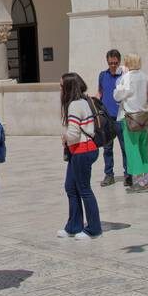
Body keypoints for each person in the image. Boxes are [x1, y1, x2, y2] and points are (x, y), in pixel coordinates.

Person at [59, 72, 102, 239]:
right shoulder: (84, 101)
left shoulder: (75, 105)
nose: (60, 90)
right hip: (82, 150)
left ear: (68, 87)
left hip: (81, 150)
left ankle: (94, 228)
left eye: (62, 86)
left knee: (84, 189)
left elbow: (74, 133)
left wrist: (64, 138)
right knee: (71, 186)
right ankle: (73, 226)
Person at [114, 54, 148, 192]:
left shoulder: (126, 78)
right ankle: (147, 177)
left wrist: (120, 82)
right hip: (143, 117)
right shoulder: (144, 76)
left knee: (133, 149)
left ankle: (138, 181)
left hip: (130, 118)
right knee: (144, 147)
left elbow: (118, 96)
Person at [94, 49, 130, 187]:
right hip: (106, 119)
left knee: (125, 148)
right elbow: (100, 92)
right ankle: (109, 175)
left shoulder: (124, 77)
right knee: (107, 149)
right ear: (107, 62)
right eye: (110, 63)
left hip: (121, 118)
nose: (113, 65)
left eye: (115, 63)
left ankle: (128, 174)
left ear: (119, 62)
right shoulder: (102, 75)